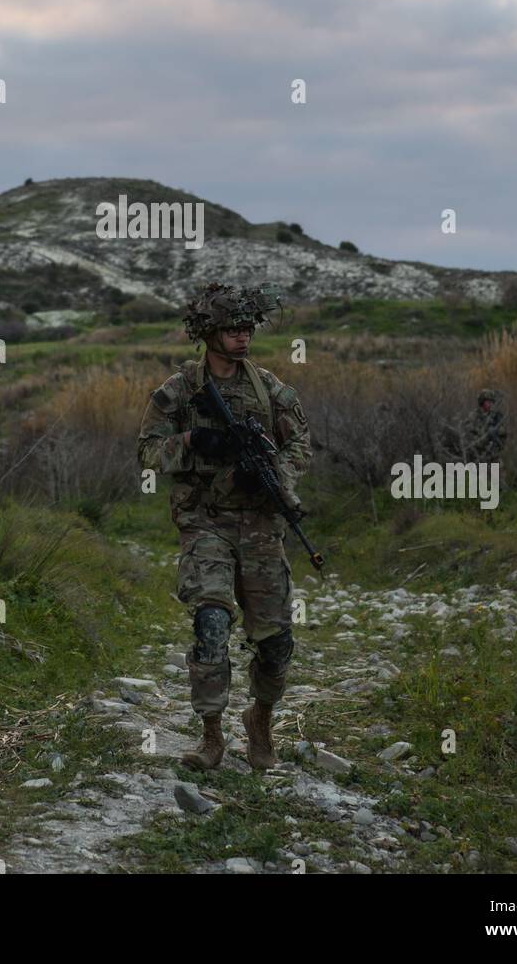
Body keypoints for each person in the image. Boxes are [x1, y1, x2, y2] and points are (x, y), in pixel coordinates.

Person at [137, 282, 312, 771]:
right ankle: (211, 734)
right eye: (232, 329)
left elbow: (301, 442)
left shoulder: (269, 387)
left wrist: (276, 473)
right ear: (208, 333)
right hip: (205, 523)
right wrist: (193, 440)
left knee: (276, 640)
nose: (242, 338)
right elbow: (147, 453)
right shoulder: (179, 391)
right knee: (211, 623)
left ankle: (260, 720)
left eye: (247, 329)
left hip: (260, 522)